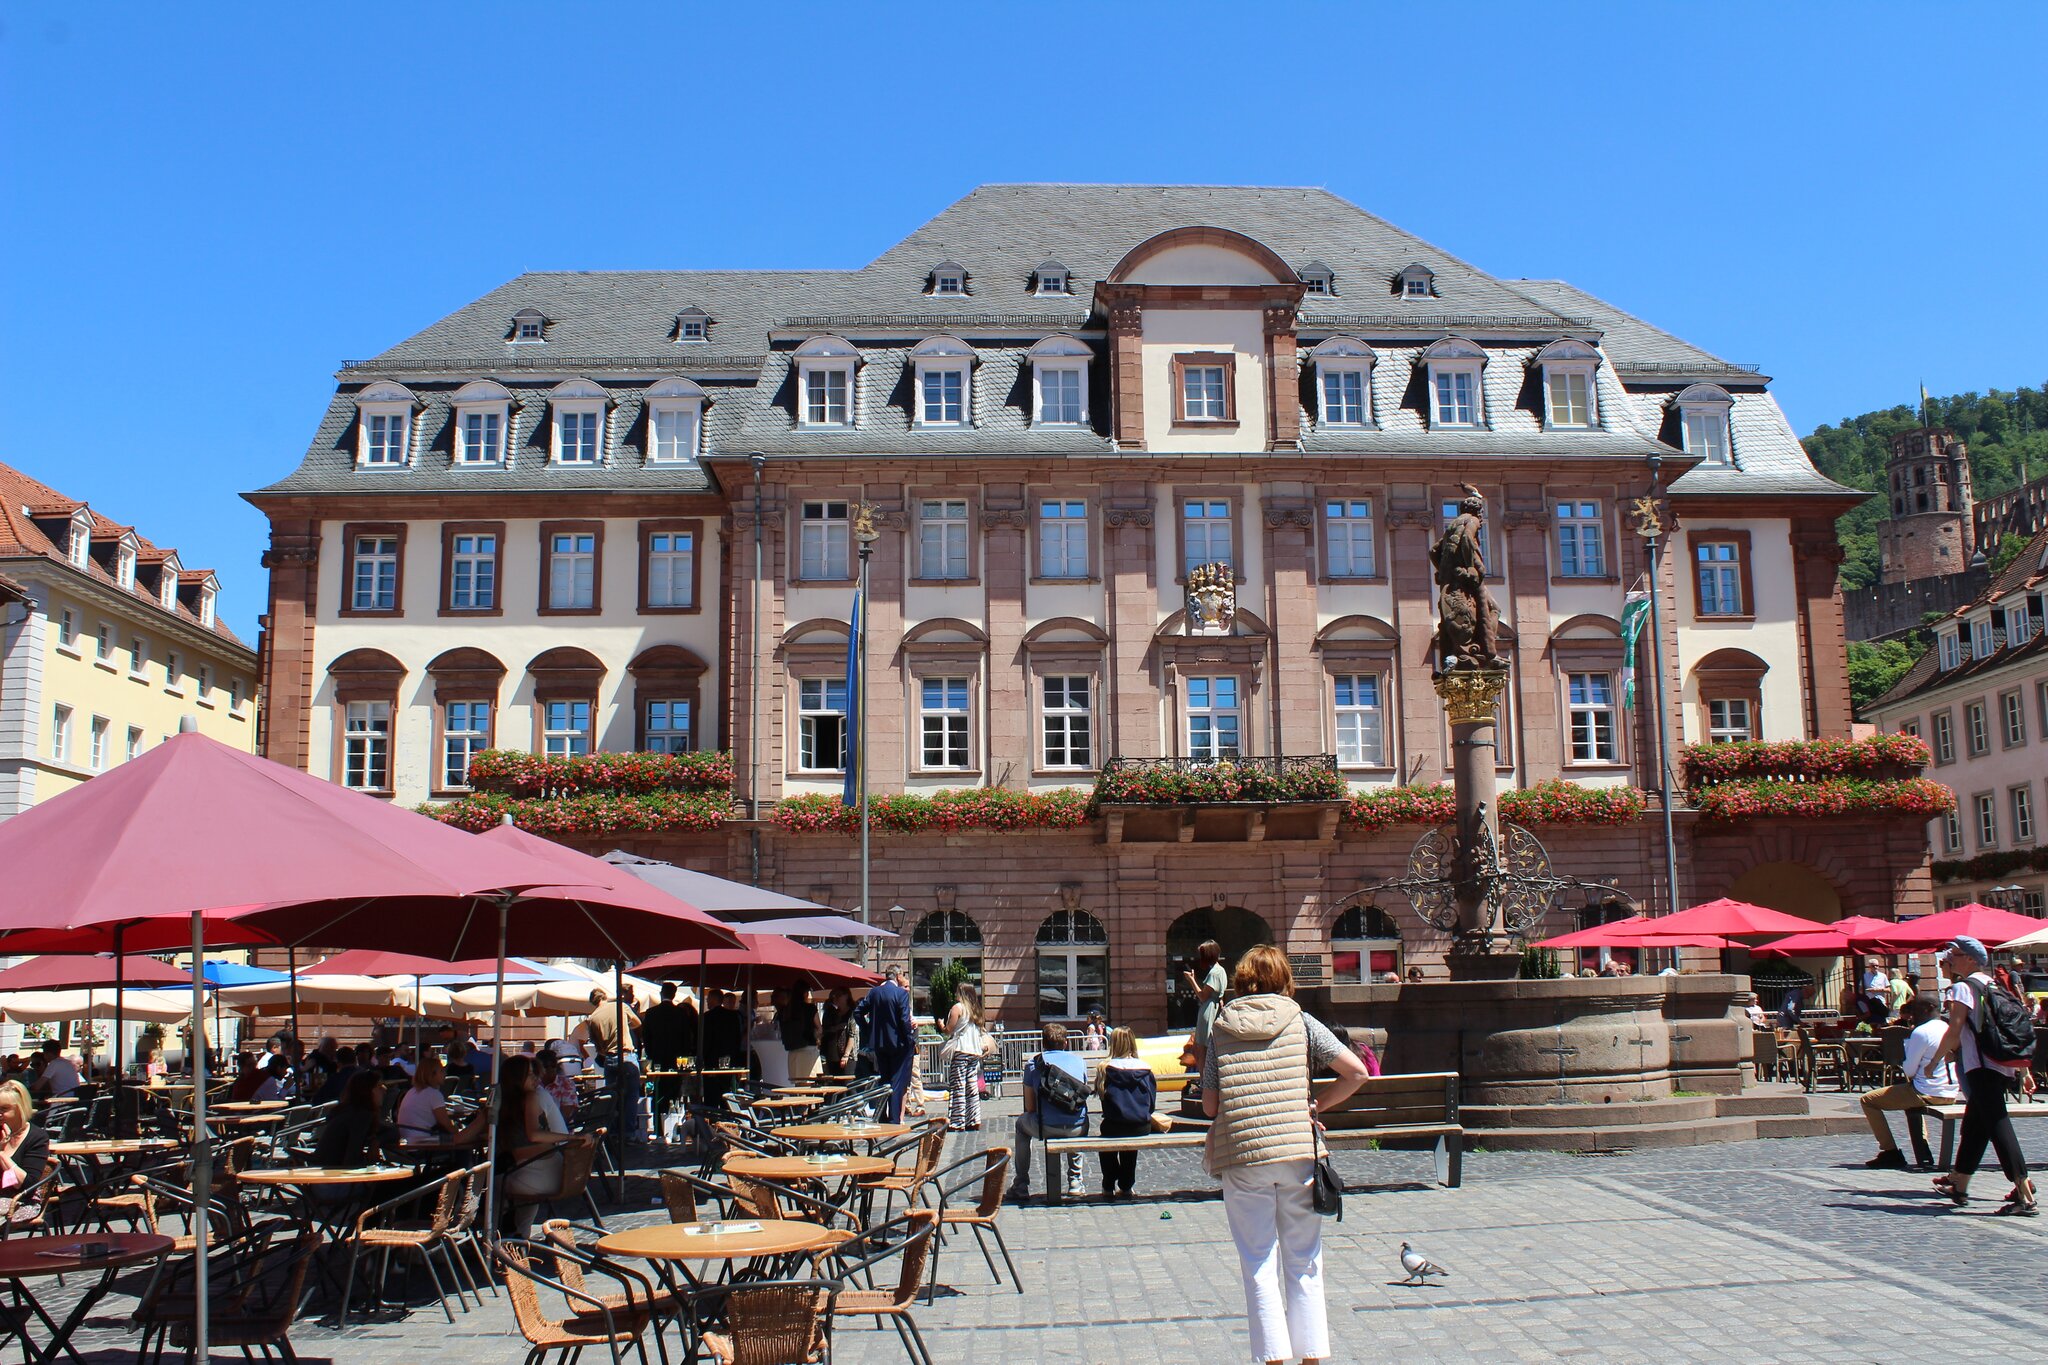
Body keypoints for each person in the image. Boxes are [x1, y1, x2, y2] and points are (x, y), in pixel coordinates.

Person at [1203, 944, 1370, 1365]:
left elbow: (1208, 1106)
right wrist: (1318, 1105)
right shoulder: (1301, 1020)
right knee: (1304, 1258)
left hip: (1242, 1155)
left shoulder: (1221, 1025)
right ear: (1284, 980)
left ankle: (1273, 1358)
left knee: (1257, 1259)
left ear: (1241, 980)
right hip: (1297, 1149)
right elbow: (1357, 1072)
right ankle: (1311, 1357)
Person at [1925, 937, 2037, 1215]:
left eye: (1956, 954)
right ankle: (1959, 1184)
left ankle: (2024, 1195)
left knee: (1999, 1127)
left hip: (1981, 1067)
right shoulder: (1992, 985)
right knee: (1975, 1127)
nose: (1950, 958)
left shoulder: (1962, 988)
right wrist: (2023, 1071)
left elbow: (1954, 1030)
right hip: (2000, 1065)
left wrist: (1933, 1062)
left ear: (1972, 959)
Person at [496, 1053, 591, 1236]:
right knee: (506, 1175)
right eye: (531, 1075)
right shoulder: (526, 1099)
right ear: (517, 1078)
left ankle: (494, 1238)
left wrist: (570, 1139)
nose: (537, 1078)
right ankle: (519, 1236)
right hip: (556, 1169)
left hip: (545, 1174)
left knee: (491, 1183)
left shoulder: (533, 1096)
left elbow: (534, 1136)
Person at [1860, 997, 1956, 1171]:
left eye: (1916, 1010)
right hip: (1950, 1091)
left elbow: (1909, 1070)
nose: (1912, 1014)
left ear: (1929, 1008)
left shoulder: (1921, 1032)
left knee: (1868, 1100)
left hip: (1926, 1091)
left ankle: (1890, 1151)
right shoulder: (1947, 1027)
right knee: (1908, 1097)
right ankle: (1923, 1150)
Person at [1009, 1022, 1089, 1201]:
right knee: (1078, 1117)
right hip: (1076, 1127)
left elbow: (1030, 1107)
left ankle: (1021, 1184)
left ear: (1043, 1043)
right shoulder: (1079, 1061)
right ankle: (1075, 1181)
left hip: (1044, 1126)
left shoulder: (1034, 1065)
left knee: (1021, 1125)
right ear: (1066, 1043)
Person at [1095, 1027, 1156, 1200]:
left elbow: (1103, 1099)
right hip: (1140, 1124)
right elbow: (1151, 1101)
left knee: (1106, 1137)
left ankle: (1109, 1183)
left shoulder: (1105, 1068)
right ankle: (1126, 1184)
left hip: (1114, 1124)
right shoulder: (1145, 1069)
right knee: (1131, 1145)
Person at [854, 969, 917, 1122]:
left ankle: (882, 1115)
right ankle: (894, 1118)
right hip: (898, 1044)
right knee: (896, 1080)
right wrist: (909, 1038)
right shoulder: (901, 994)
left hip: (879, 1044)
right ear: (897, 976)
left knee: (884, 1079)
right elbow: (903, 1020)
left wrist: (868, 1029)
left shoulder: (875, 992)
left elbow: (858, 1012)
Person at [313, 1070, 394, 1169]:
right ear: (367, 1091)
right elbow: (351, 1160)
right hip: (334, 1178)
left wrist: (376, 1141)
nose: (384, 1089)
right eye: (379, 1085)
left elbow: (393, 1131)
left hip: (326, 1172)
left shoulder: (351, 1111)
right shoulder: (360, 1116)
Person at [396, 1054, 481, 1146]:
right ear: (431, 1075)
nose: (445, 1073)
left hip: (409, 1141)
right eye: (441, 1071)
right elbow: (446, 1124)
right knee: (465, 1140)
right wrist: (460, 1133)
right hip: (422, 1142)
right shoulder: (433, 1094)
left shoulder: (412, 1091)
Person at [940, 984, 989, 1131]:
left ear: (961, 993)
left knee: (958, 1086)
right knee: (972, 1085)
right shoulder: (976, 1010)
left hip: (961, 1049)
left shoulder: (958, 1008)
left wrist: (941, 1024)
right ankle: (974, 1119)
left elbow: (949, 1030)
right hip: (974, 1050)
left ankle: (957, 1121)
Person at [0, 1079, 50, 1225]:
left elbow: (26, 1185)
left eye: (4, 1109)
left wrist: (2, 1154)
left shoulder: (36, 1137)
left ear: (20, 1108)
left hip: (20, 1201)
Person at [640, 981, 690, 1113]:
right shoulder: (681, 1013)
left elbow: (646, 1037)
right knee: (674, 1093)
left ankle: (659, 1123)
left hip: (658, 1058)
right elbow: (686, 1038)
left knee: (659, 1092)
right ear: (674, 995)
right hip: (677, 1060)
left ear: (661, 994)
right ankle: (672, 1120)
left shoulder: (651, 1013)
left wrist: (651, 1055)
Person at [1183, 940, 1227, 1075]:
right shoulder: (1221, 970)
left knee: (1201, 1048)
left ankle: (1204, 1080)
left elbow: (1203, 996)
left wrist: (1191, 980)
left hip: (1208, 1010)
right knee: (1204, 1047)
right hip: (1212, 1008)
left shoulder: (1214, 973)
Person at [779, 985, 822, 1082]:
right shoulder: (811, 1008)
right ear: (805, 994)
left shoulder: (787, 1010)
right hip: (809, 1050)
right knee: (810, 1084)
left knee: (798, 1084)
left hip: (793, 1052)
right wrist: (818, 1037)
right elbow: (819, 1028)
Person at [820, 986, 859, 1078]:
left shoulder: (852, 1013)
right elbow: (825, 1030)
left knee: (848, 1085)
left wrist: (846, 1055)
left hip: (848, 1056)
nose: (835, 998)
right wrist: (835, 1028)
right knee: (834, 1085)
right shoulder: (832, 1013)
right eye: (833, 996)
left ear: (846, 996)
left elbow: (852, 1034)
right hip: (833, 1054)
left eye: (838, 995)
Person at [1861, 960, 1892, 1026]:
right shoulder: (1865, 976)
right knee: (1871, 1020)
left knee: (1882, 1021)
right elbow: (1861, 989)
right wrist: (1867, 991)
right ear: (1869, 967)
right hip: (1870, 1002)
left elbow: (1889, 990)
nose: (1875, 967)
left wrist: (1877, 990)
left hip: (1881, 1002)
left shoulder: (1883, 976)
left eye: (1877, 965)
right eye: (1873, 965)